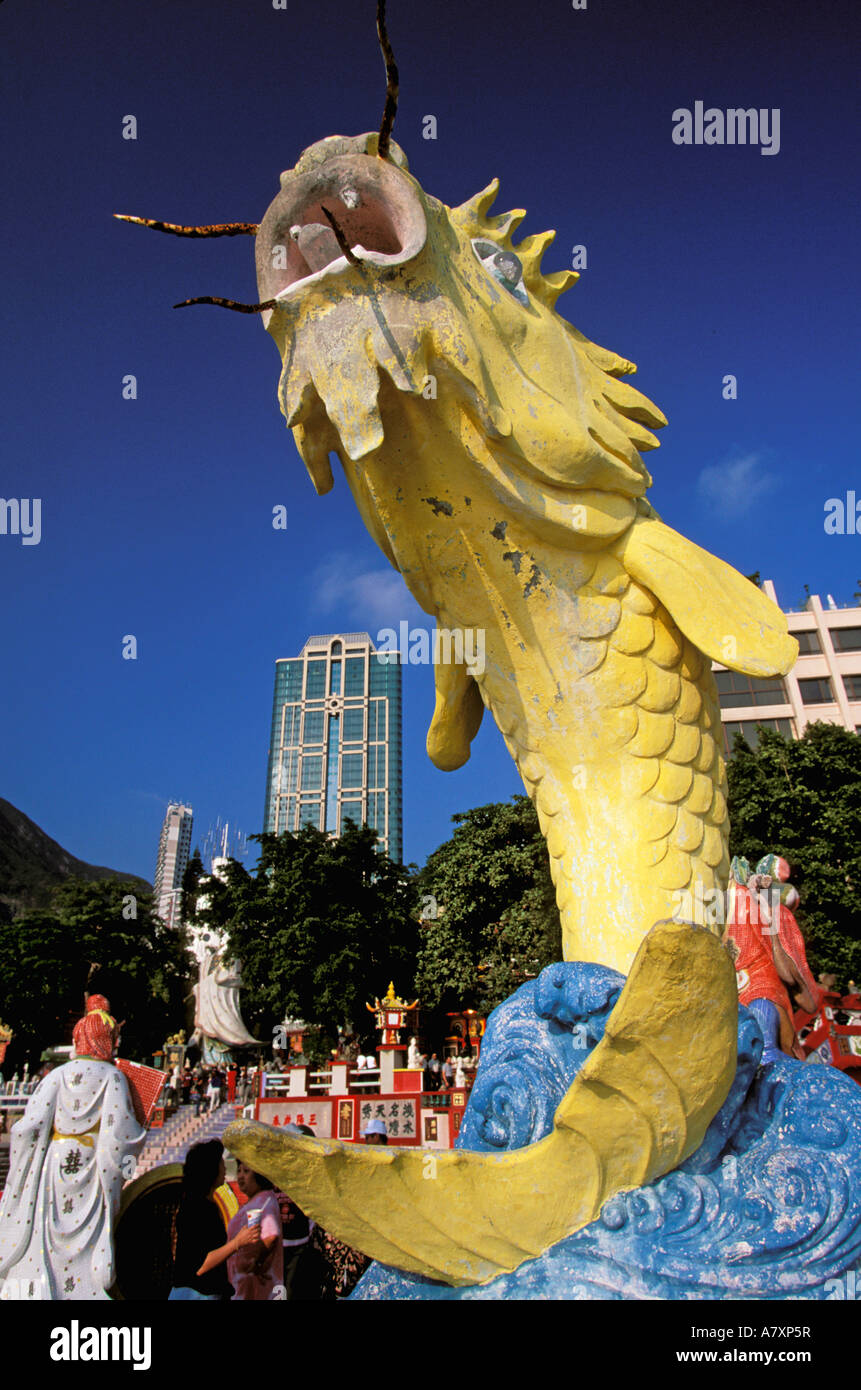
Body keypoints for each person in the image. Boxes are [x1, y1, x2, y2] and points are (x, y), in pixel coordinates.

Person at [0, 994, 146, 1300]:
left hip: (53, 1164)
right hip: (93, 1164)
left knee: (44, 1227)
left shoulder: (56, 1075)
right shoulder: (114, 1077)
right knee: (86, 1237)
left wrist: (27, 1163)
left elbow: (28, 1129)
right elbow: (121, 1135)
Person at [170, 1140, 258, 1300]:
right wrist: (237, 1242)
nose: (225, 1169)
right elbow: (200, 1265)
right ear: (209, 1169)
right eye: (221, 1164)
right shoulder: (197, 1209)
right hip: (195, 1294)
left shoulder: (204, 1205)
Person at [226, 1162, 283, 1300]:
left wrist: (254, 1263)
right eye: (239, 1171)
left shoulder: (264, 1201)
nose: (240, 1176)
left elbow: (271, 1236)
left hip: (256, 1289)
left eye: (246, 1171)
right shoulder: (257, 1201)